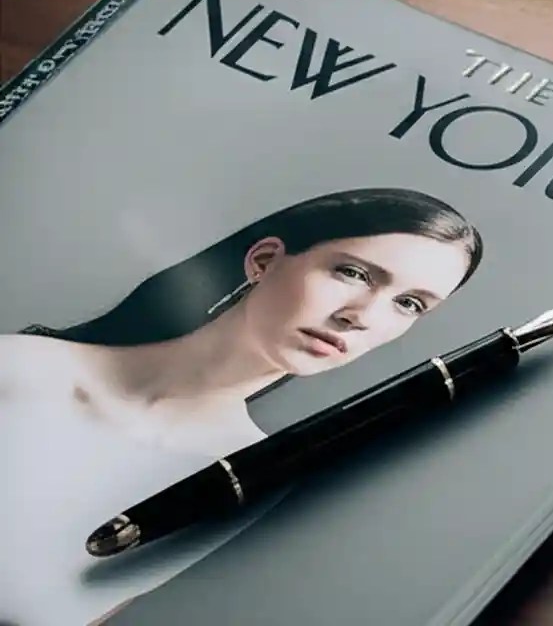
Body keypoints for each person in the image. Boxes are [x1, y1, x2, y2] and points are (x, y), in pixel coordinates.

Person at [0, 187, 483, 626]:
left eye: (410, 304)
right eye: (352, 273)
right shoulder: (20, 369)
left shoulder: (256, 486)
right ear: (265, 260)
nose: (360, 317)